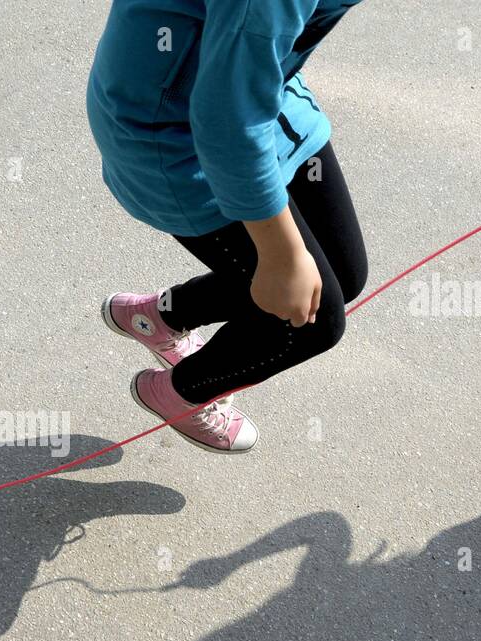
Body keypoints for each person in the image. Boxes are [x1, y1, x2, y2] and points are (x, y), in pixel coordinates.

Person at [87, 0, 369, 453]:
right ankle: (178, 393)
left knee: (341, 273)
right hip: (177, 136)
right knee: (313, 321)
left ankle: (161, 317)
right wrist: (281, 255)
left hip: (257, 94)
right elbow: (226, 123)